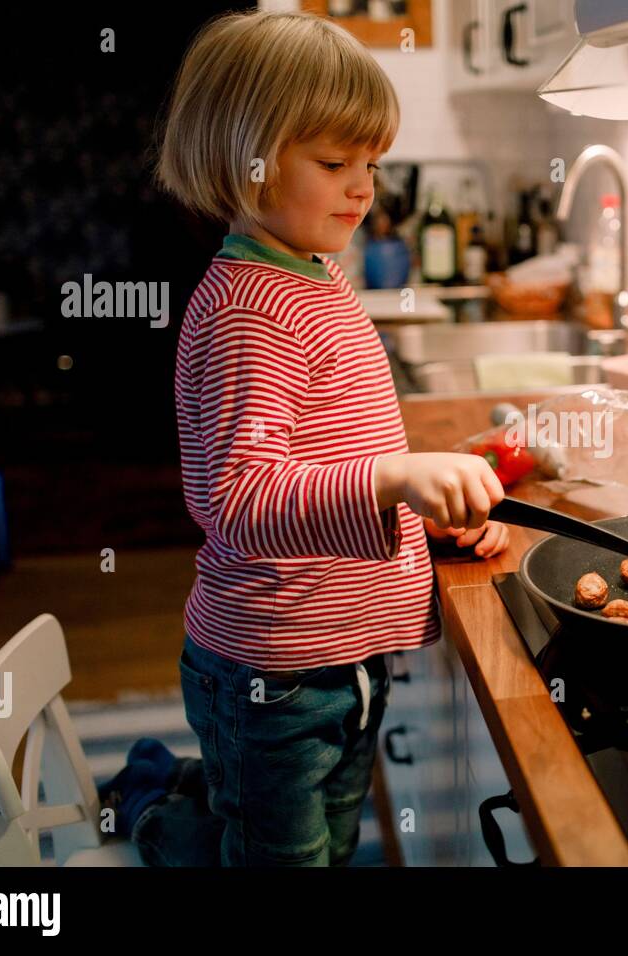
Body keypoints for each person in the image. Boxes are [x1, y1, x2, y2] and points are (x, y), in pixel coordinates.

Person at [97, 10, 511, 866]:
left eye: (371, 164)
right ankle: (149, 808)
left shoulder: (312, 274)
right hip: (272, 676)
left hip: (342, 657)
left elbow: (329, 460)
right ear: (244, 161)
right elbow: (239, 500)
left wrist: (421, 513)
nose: (364, 189)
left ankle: (179, 790)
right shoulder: (249, 312)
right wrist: (396, 479)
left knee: (324, 836)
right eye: (334, 164)